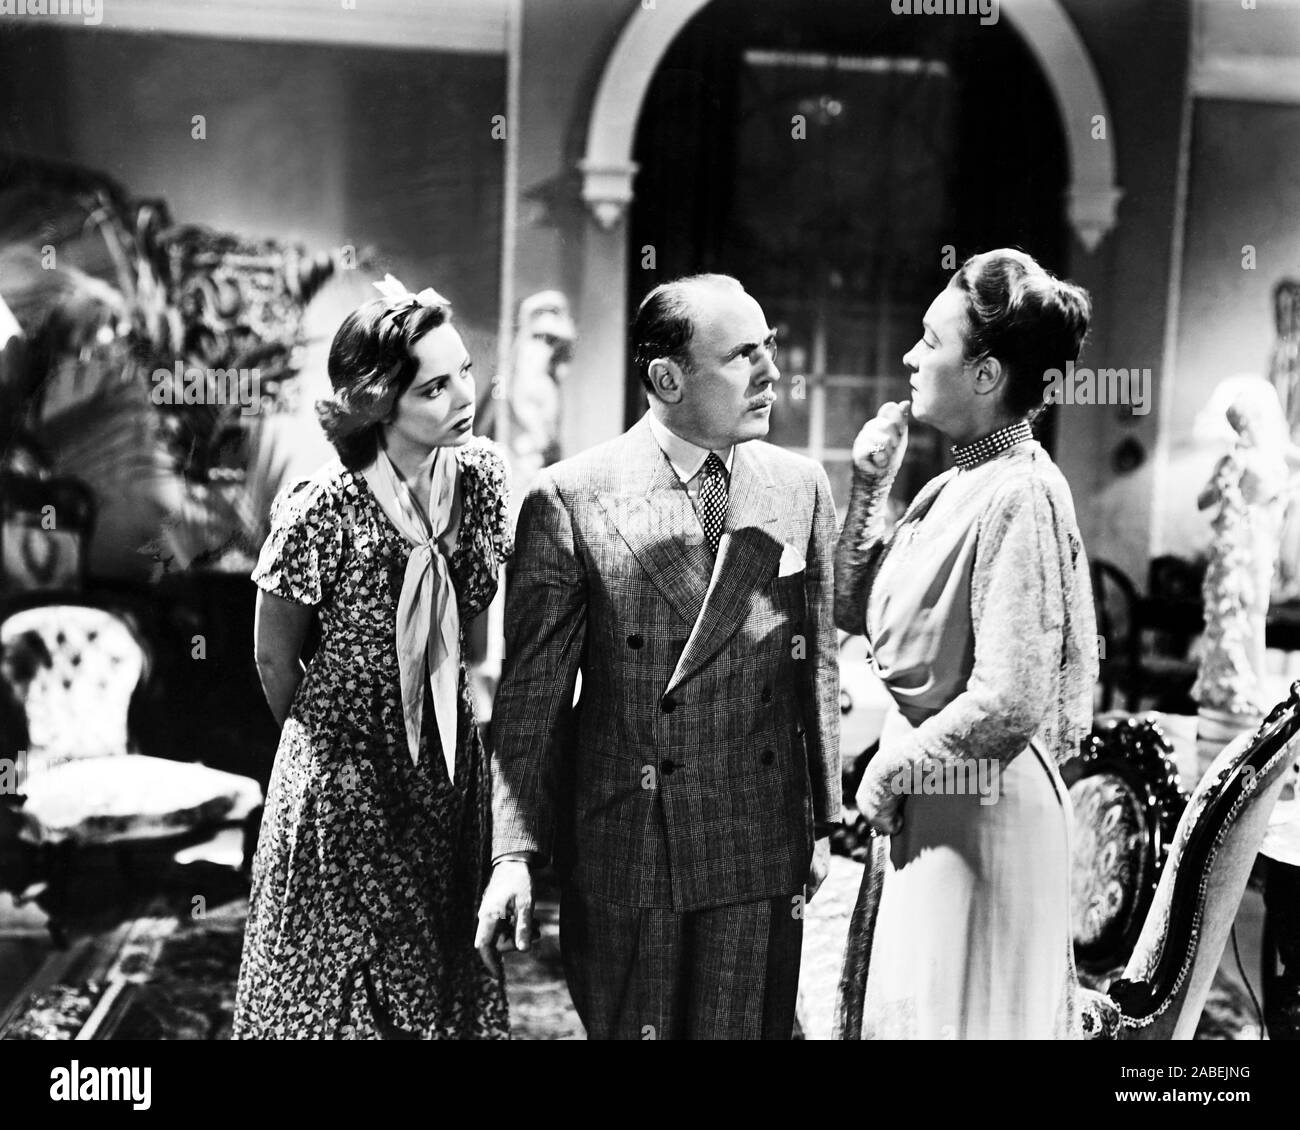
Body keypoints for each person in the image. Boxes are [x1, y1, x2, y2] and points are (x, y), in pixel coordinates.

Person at [477, 273, 841, 1040]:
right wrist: (513, 852)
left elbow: (818, 663)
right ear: (667, 378)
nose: (773, 371)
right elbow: (532, 696)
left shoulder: (800, 486)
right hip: (629, 846)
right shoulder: (572, 497)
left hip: (757, 841)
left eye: (769, 347)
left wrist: (822, 819)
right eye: (745, 354)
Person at [234, 277, 511, 1039]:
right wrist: (339, 757)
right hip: (343, 774)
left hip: (447, 767)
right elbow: (272, 659)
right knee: (345, 978)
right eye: (434, 387)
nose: (463, 395)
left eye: (463, 371)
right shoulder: (321, 504)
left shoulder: (483, 479)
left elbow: (479, 618)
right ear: (377, 401)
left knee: (435, 959)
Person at [835, 249, 1099, 1039]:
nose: (913, 357)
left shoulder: (1022, 492)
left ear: (985, 375)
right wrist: (868, 486)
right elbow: (854, 608)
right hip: (945, 805)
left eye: (931, 341)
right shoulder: (955, 483)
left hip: (984, 815)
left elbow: (1011, 698)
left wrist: (889, 771)